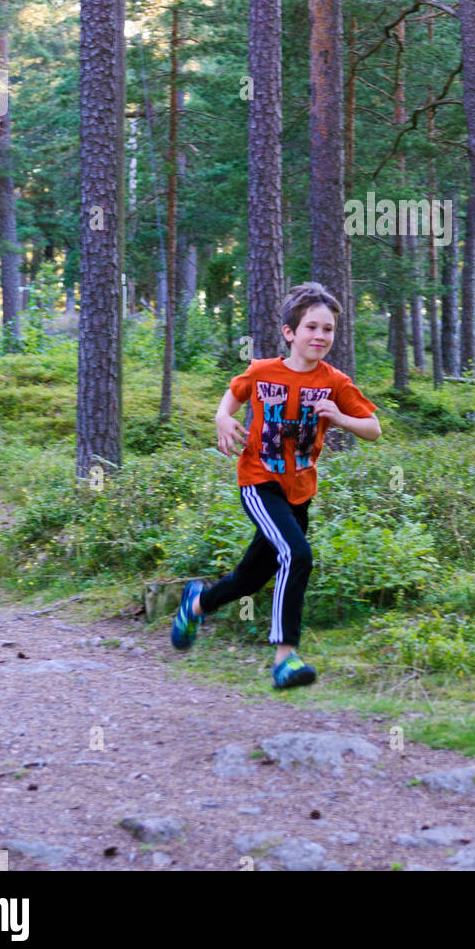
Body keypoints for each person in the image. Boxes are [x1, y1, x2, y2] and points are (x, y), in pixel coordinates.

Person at [170, 281, 381, 689]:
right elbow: (233, 394)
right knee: (297, 554)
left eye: (328, 330)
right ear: (290, 333)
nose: (321, 336)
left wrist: (339, 418)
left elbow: (373, 429)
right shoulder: (263, 370)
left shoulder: (335, 381)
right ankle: (285, 658)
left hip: (299, 491)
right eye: (311, 328)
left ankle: (195, 604)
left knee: (249, 579)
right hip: (258, 482)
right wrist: (221, 418)